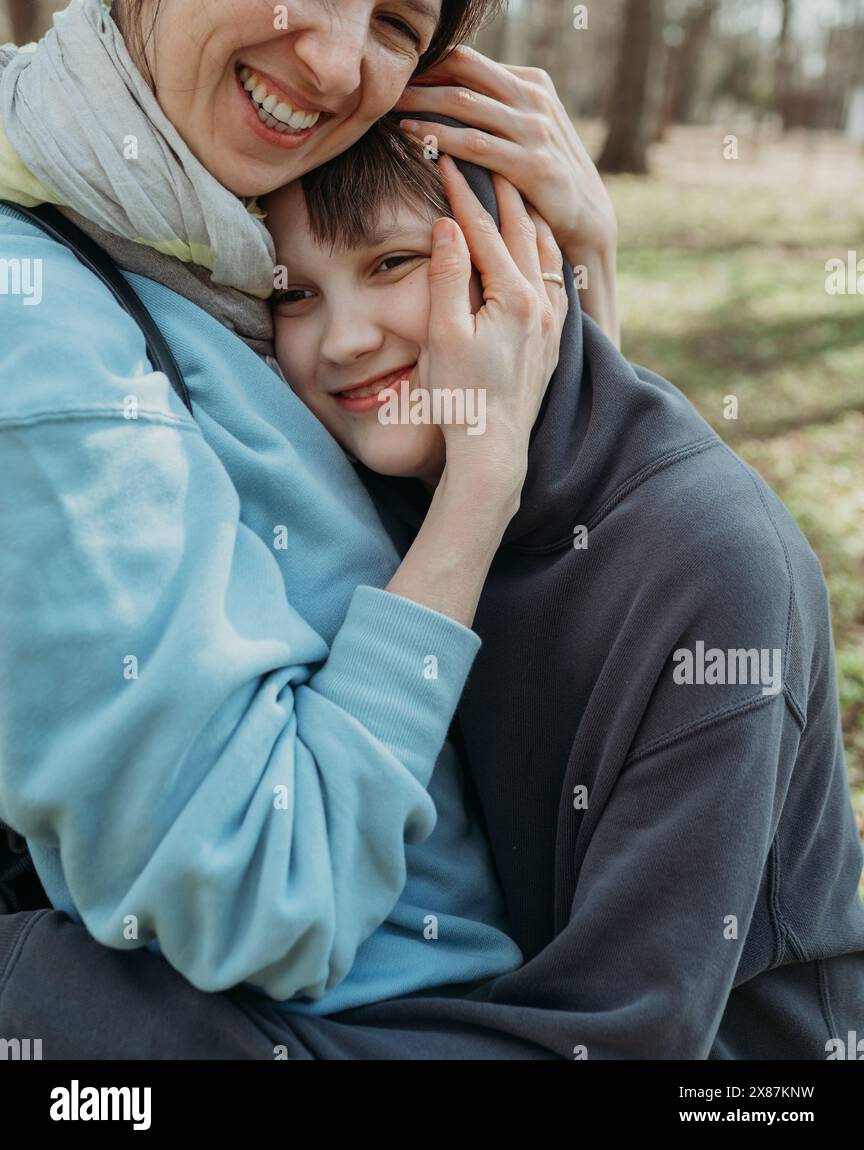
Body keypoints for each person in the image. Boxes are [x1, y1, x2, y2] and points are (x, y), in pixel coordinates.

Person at [0, 0, 620, 1059]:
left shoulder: (209, 256)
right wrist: (476, 493)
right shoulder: (47, 343)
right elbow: (257, 890)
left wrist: (580, 285)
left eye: (400, 23)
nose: (337, 63)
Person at [248, 112, 864, 1059]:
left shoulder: (714, 566)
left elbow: (626, 1035)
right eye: (295, 295)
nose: (343, 340)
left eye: (391, 264)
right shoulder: (382, 498)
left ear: (522, 259)